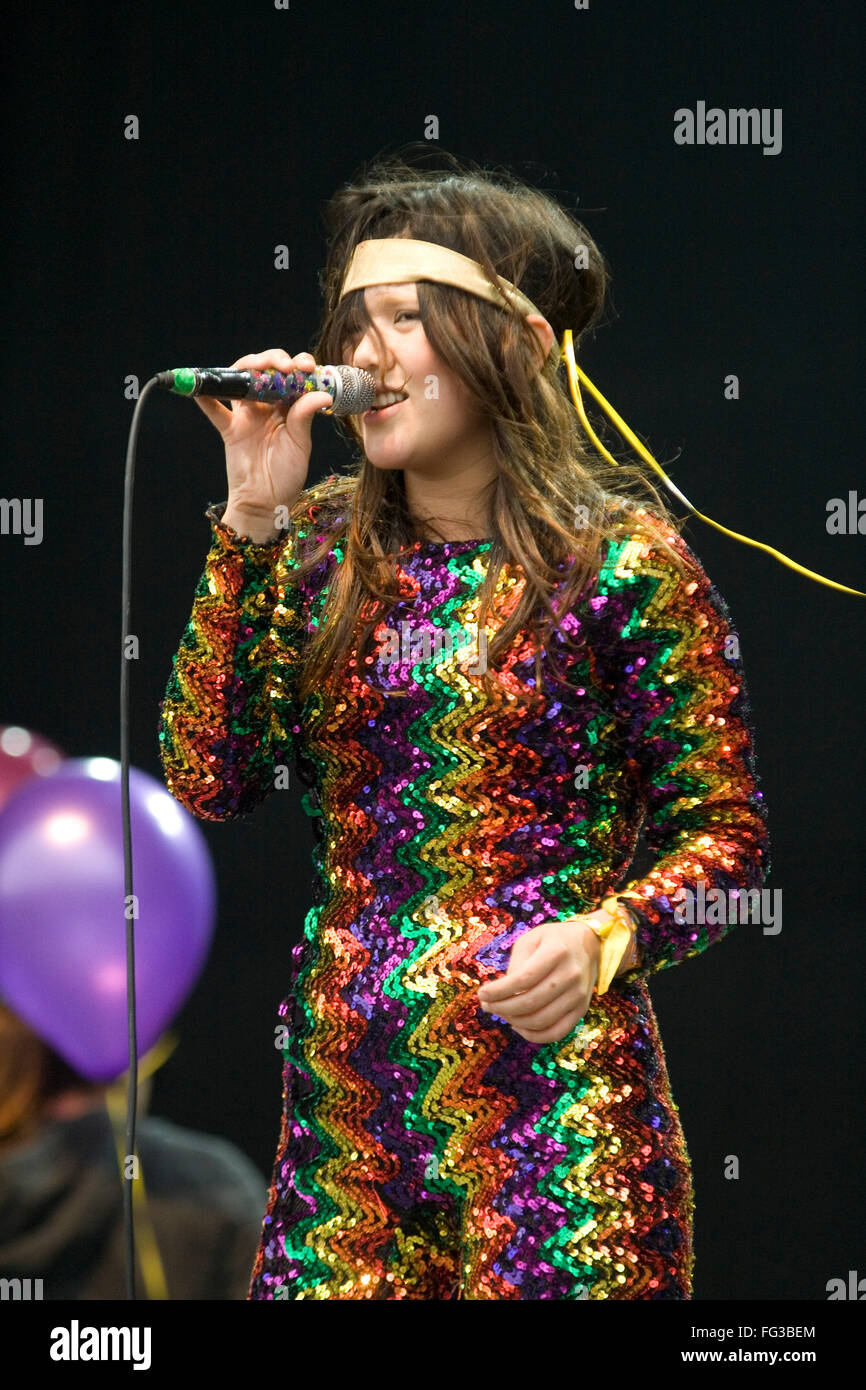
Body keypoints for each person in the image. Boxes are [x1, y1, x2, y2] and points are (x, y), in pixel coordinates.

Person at [157, 150, 770, 1300]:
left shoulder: (619, 564)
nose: (365, 351)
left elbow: (729, 847)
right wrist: (250, 519)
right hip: (345, 1145)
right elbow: (207, 777)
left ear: (518, 345)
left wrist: (606, 936)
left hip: (559, 1144)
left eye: (405, 317)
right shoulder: (315, 548)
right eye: (352, 321)